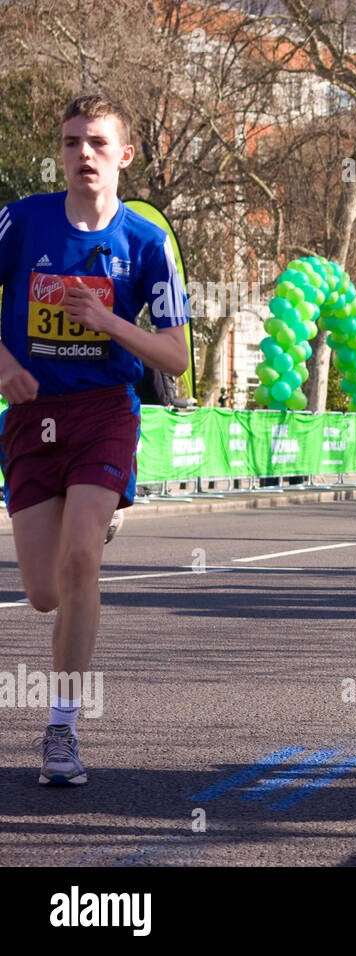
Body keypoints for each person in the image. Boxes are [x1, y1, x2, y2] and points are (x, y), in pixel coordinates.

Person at [0, 94, 190, 786]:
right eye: (73, 141)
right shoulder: (22, 221)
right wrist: (6, 366)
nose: (84, 153)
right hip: (31, 414)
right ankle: (89, 522)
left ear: (125, 155)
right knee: (45, 591)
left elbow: (171, 356)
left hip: (104, 411)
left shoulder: (146, 242)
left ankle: (61, 728)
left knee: (81, 561)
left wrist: (111, 324)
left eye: (98, 143)